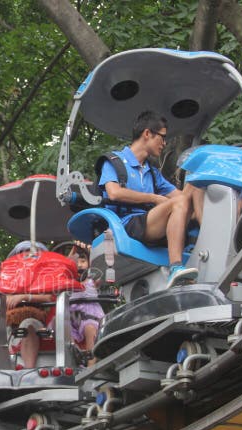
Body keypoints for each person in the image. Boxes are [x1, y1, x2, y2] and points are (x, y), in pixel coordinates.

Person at [98, 110, 203, 288]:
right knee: (179, 202)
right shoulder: (114, 161)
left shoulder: (152, 172)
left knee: (196, 183)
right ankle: (176, 266)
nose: (164, 143)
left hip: (151, 223)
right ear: (147, 133)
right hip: (126, 225)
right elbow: (114, 193)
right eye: (162, 137)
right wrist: (154, 198)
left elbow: (183, 197)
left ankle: (209, 237)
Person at [0, 241, 55, 369]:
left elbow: (49, 297)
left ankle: (29, 370)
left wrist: (24, 297)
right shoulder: (7, 278)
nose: (28, 256)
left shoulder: (44, 277)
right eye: (24, 253)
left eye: (33, 253)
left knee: (28, 325)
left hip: (36, 319)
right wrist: (8, 298)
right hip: (8, 321)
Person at [66, 246, 105, 366]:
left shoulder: (92, 280)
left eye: (83, 261)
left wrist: (91, 252)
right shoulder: (69, 280)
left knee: (89, 328)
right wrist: (73, 250)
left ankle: (91, 364)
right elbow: (65, 266)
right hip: (72, 316)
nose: (79, 264)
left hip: (90, 314)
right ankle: (75, 356)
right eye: (77, 262)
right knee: (63, 328)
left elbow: (100, 269)